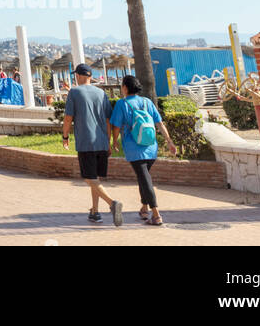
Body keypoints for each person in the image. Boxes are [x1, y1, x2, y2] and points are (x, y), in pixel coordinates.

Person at [109, 75, 177, 226]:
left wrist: (114, 141)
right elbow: (159, 123)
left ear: (125, 88)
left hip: (134, 149)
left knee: (145, 180)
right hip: (151, 147)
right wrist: (169, 141)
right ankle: (144, 208)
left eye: (122, 86)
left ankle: (156, 214)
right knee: (143, 177)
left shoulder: (122, 104)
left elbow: (116, 126)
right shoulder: (147, 102)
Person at [61, 63, 123, 225]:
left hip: (86, 142)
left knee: (89, 179)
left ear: (81, 76)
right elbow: (109, 119)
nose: (75, 77)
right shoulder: (101, 93)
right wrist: (109, 142)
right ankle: (95, 212)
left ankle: (112, 203)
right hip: (102, 142)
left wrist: (65, 136)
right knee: (95, 179)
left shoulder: (74, 92)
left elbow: (68, 118)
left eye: (76, 75)